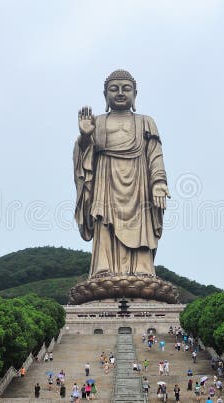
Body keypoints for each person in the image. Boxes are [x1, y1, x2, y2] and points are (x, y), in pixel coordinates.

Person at [74, 70, 170, 278]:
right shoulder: (96, 121)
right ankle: (103, 269)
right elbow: (84, 157)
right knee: (104, 221)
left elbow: (154, 154)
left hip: (139, 182)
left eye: (126, 89)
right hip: (105, 180)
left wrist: (159, 182)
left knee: (140, 223)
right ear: (105, 95)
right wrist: (84, 137)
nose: (119, 93)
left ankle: (142, 270)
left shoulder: (145, 121)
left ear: (135, 94)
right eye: (113, 89)